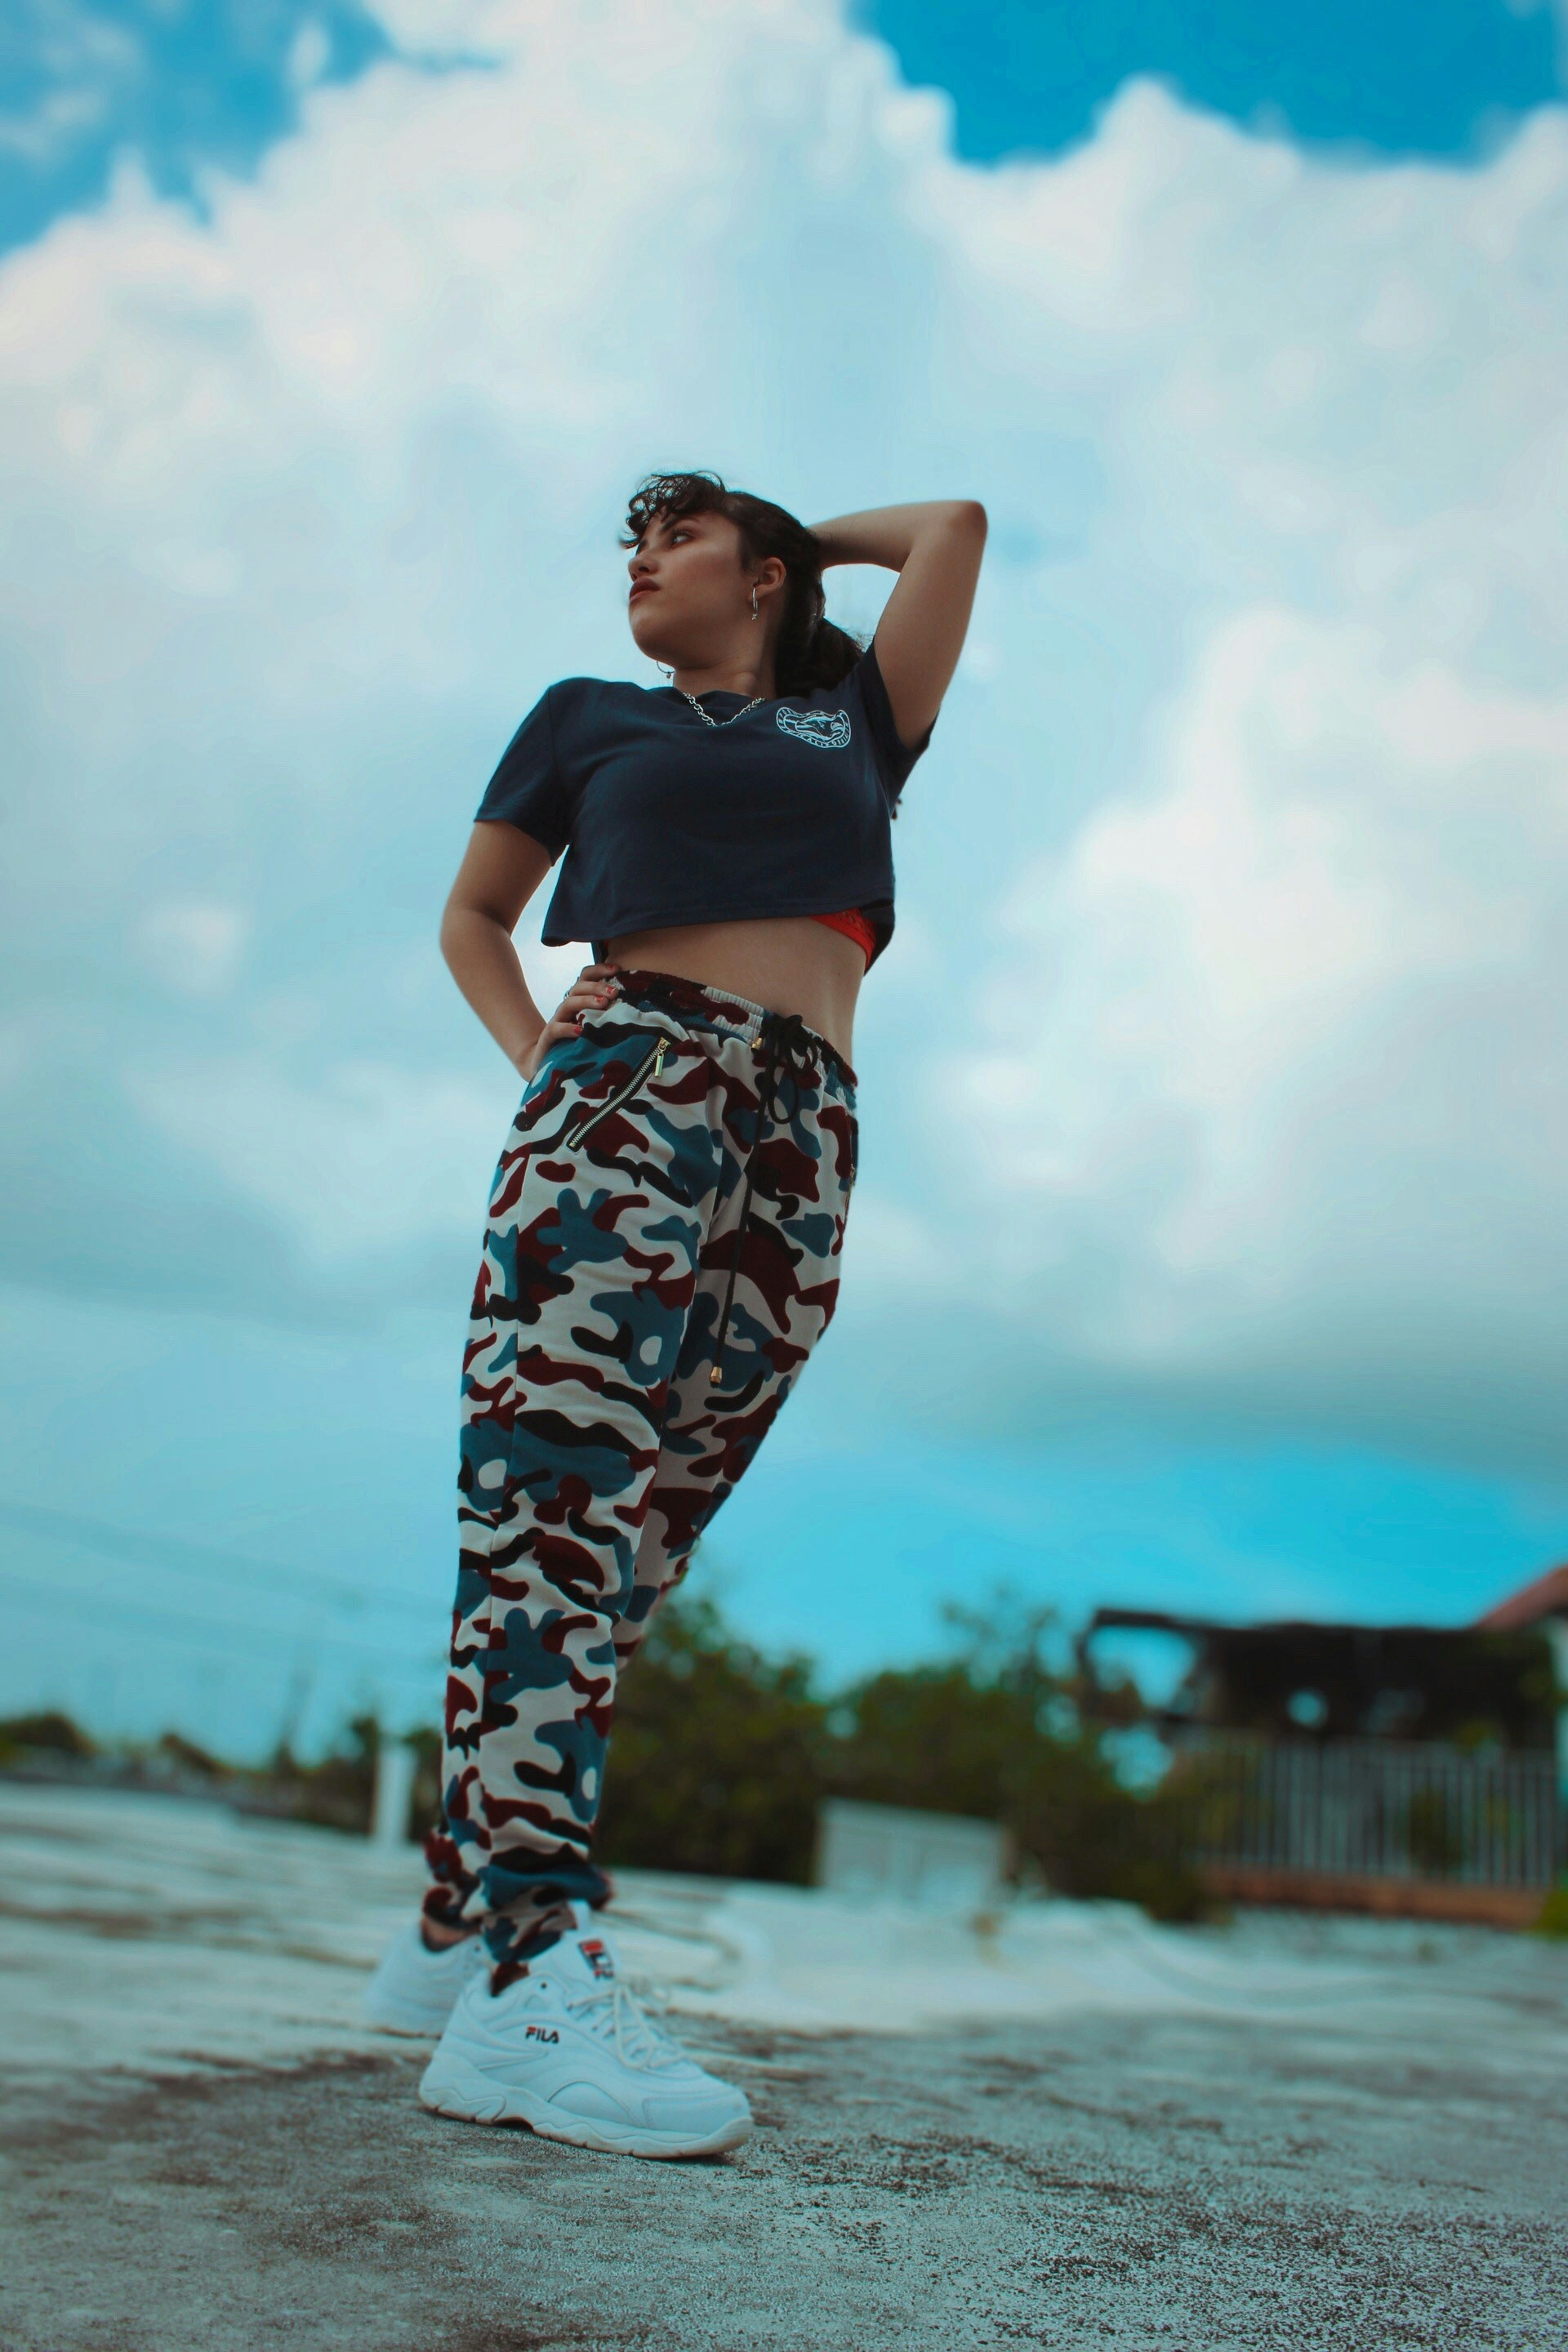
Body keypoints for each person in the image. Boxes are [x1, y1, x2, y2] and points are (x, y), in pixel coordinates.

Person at [363, 470, 987, 2158]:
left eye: (678, 532)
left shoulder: (855, 722)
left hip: (806, 1134)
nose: (639, 558)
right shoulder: (586, 719)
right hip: (628, 1087)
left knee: (639, 1540)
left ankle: (453, 1905)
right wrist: (547, 1068)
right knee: (554, 1504)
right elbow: (474, 919)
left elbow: (957, 531)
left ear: (764, 572)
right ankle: (526, 1966)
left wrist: (788, 540)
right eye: (633, 540)